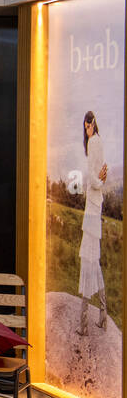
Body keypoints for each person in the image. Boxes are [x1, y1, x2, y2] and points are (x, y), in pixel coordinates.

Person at [77, 110, 109, 335]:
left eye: (91, 125)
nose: (88, 128)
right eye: (86, 126)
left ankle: (84, 325)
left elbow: (94, 179)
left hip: (92, 210)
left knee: (88, 260)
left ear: (94, 124)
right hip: (95, 208)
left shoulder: (93, 144)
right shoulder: (98, 142)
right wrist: (100, 179)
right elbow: (99, 177)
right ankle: (103, 317)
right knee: (92, 260)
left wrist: (99, 180)